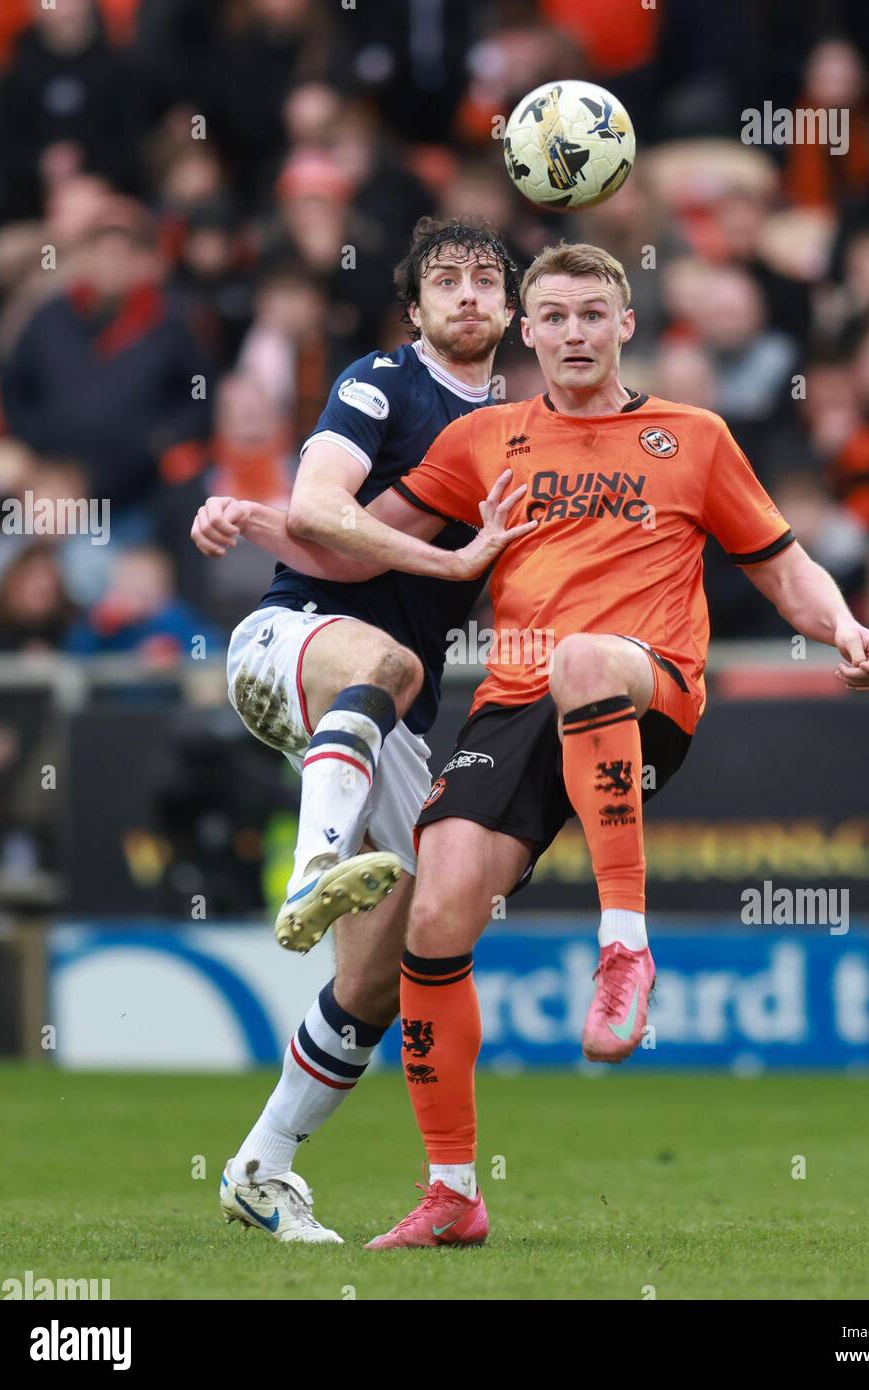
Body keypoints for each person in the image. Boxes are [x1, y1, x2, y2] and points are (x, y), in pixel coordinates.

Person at [274, 242, 869, 1248]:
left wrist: (842, 628)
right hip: (513, 703)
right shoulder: (485, 440)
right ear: (528, 331)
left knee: (584, 662)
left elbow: (781, 566)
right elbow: (353, 529)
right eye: (552, 316)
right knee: (434, 906)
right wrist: (264, 514)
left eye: (591, 315)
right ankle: (451, 1192)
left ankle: (624, 949)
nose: (571, 333)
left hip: (643, 685)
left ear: (625, 326)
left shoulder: (691, 436)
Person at [191, 216, 531, 1243]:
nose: (468, 293)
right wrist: (458, 561)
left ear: (508, 308)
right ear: (416, 308)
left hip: (391, 722)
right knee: (391, 658)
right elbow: (321, 508)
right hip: (287, 643)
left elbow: (344, 532)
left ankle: (261, 1164)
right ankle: (313, 863)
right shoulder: (383, 380)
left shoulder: (512, 430)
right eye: (446, 280)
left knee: (387, 968)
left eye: (485, 279)